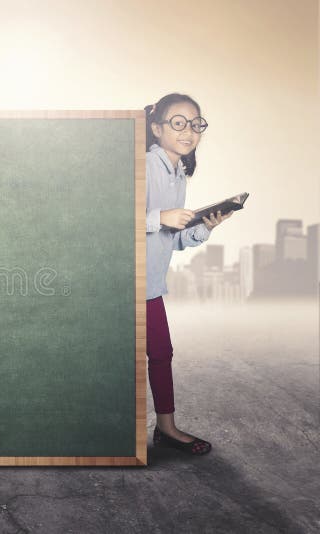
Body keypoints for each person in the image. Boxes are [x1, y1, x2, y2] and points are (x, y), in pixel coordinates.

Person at [144, 93, 234, 455]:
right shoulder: (144, 164)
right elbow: (103, 220)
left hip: (149, 285)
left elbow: (173, 239)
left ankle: (166, 429)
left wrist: (204, 227)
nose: (188, 131)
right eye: (177, 123)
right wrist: (159, 217)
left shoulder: (178, 172)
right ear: (156, 128)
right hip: (120, 281)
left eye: (195, 124)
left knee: (161, 353)